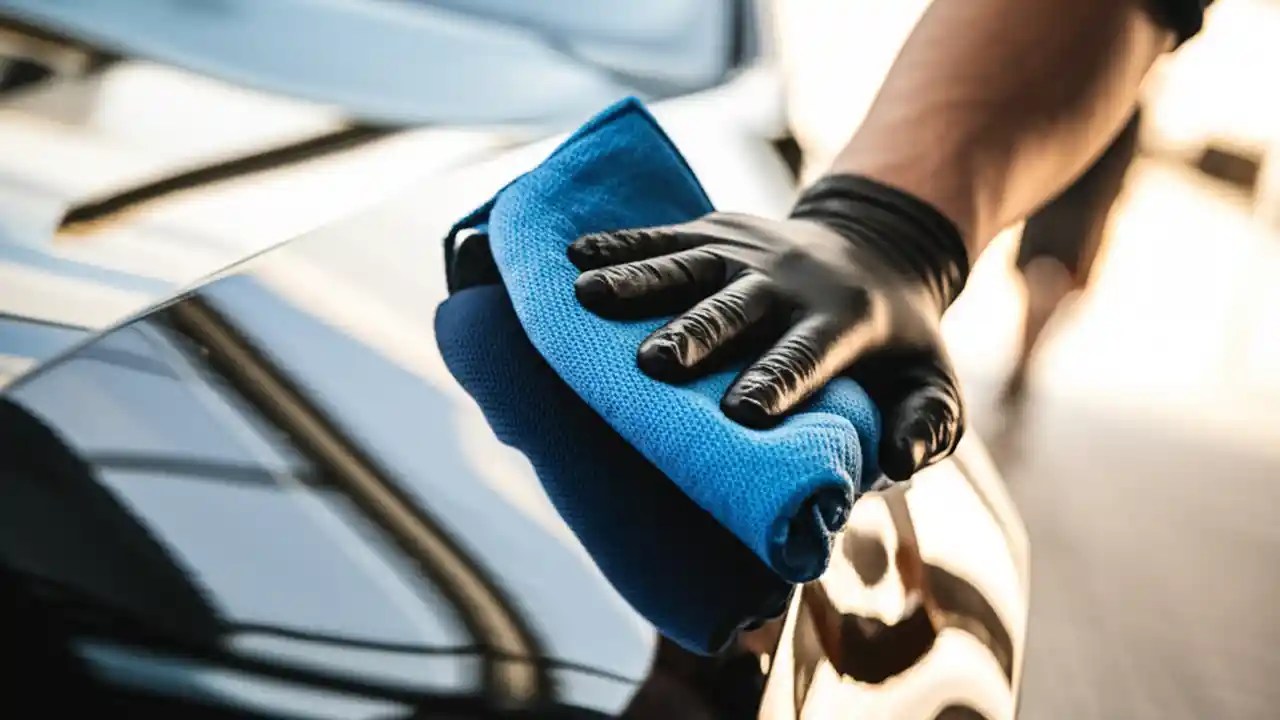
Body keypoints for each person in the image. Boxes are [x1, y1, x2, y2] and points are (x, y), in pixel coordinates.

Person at [567, 0, 1210, 481]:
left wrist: (889, 223)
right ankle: (1025, 361)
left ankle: (1024, 363)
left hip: (1077, 108)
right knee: (1047, 267)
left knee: (1055, 265)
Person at [1003, 109, 1144, 408]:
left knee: (1043, 289)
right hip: (1073, 212)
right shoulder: (1129, 112)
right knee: (1047, 290)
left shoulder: (1127, 111)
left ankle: (1024, 360)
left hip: (1060, 203)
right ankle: (1025, 360)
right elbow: (1115, 183)